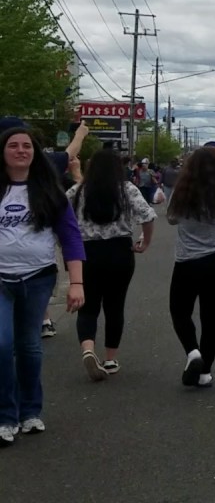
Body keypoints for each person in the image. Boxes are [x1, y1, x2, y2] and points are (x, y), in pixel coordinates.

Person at [0, 126, 86, 445]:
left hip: (38, 278)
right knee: (2, 344)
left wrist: (76, 283)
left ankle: (30, 412)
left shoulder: (49, 192)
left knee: (30, 347)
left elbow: (71, 238)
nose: (21, 150)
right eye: (13, 145)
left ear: (35, 153)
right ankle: (5, 416)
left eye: (27, 146)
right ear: (2, 152)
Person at [66, 149, 156, 381]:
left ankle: (88, 349)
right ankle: (110, 359)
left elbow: (61, 219)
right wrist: (145, 241)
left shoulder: (78, 191)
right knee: (115, 306)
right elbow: (147, 216)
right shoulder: (127, 189)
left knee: (88, 307)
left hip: (87, 253)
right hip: (120, 251)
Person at [165, 147, 215, 389]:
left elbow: (171, 219)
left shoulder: (183, 192)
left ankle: (193, 351)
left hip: (188, 260)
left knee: (180, 311)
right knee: (211, 317)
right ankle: (205, 372)